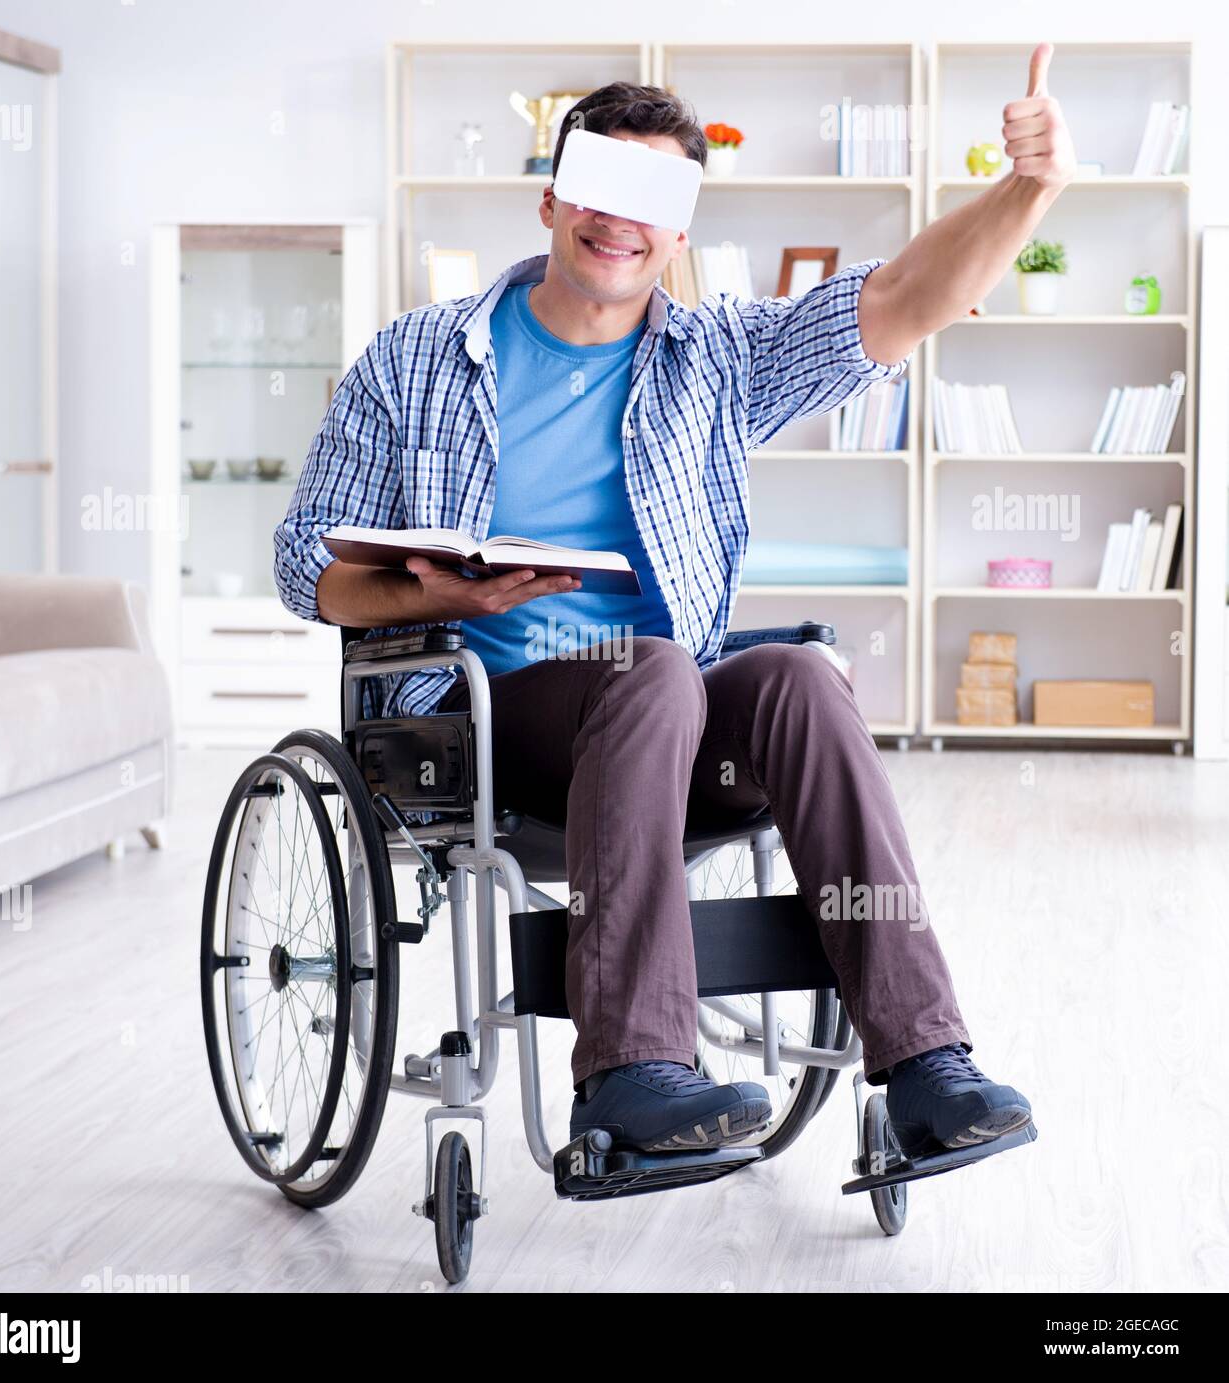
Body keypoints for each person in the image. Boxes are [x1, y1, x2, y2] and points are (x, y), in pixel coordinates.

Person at [275, 52, 1073, 1157]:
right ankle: (632, 1071)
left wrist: (1027, 189)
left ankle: (924, 1057)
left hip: (666, 718)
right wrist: (430, 588)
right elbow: (300, 565)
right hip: (477, 721)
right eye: (598, 189)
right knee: (646, 666)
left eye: (654, 204)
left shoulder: (718, 357)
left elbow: (897, 301)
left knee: (797, 673)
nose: (620, 223)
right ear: (552, 196)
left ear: (680, 230)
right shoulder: (412, 359)